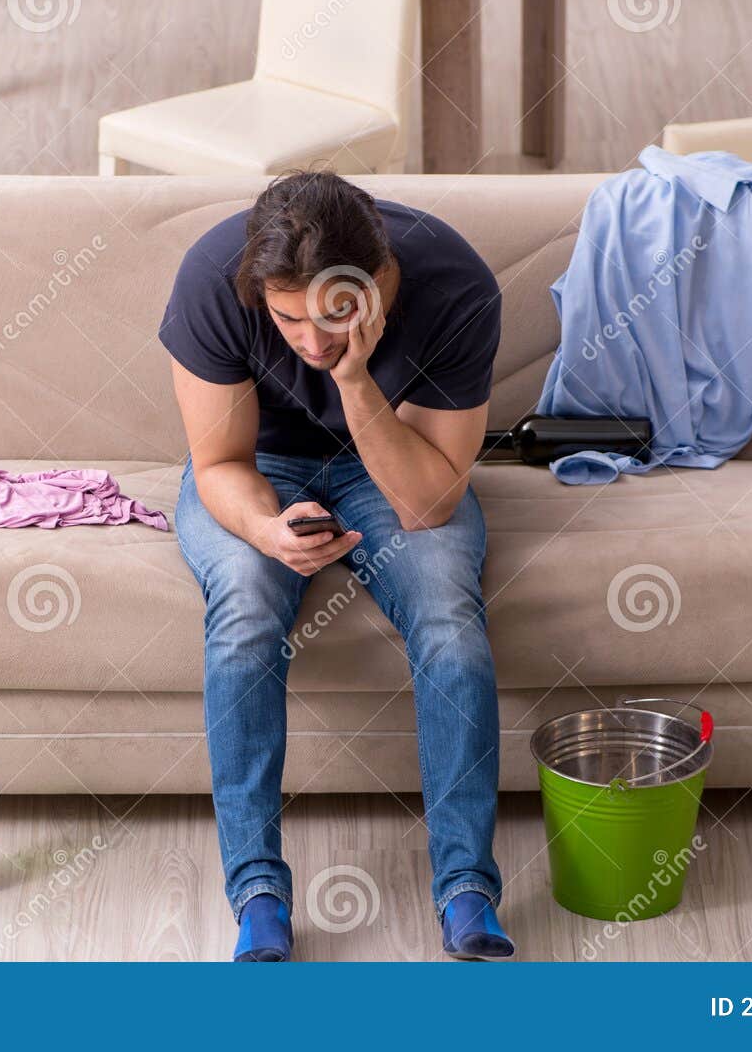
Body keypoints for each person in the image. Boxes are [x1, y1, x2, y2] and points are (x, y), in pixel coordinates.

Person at [159, 170, 513, 961]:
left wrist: (354, 381)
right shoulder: (213, 281)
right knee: (247, 609)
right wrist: (265, 528)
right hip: (261, 468)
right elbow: (218, 462)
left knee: (450, 621)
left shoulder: (456, 286)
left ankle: (467, 890)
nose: (314, 346)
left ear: (379, 278)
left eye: (336, 320)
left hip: (397, 462)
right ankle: (256, 896)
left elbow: (427, 506)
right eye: (289, 321)